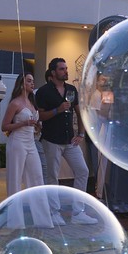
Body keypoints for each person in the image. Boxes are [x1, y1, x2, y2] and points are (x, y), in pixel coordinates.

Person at [35, 56, 96, 222]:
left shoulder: (71, 89)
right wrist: (58, 110)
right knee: (52, 176)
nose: (65, 71)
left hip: (69, 140)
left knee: (83, 171)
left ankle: (78, 212)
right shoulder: (44, 92)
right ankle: (54, 213)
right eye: (62, 69)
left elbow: (79, 111)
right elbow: (39, 116)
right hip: (51, 140)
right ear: (53, 72)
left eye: (66, 68)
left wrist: (81, 134)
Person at [2, 71, 42, 196]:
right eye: (29, 81)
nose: (32, 83)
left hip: (31, 142)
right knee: (15, 179)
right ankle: (14, 213)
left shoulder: (32, 103)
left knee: (37, 177)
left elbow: (33, 122)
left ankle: (40, 214)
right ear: (21, 84)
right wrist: (23, 123)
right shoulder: (15, 103)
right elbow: (4, 126)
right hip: (17, 142)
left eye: (33, 81)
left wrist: (37, 126)